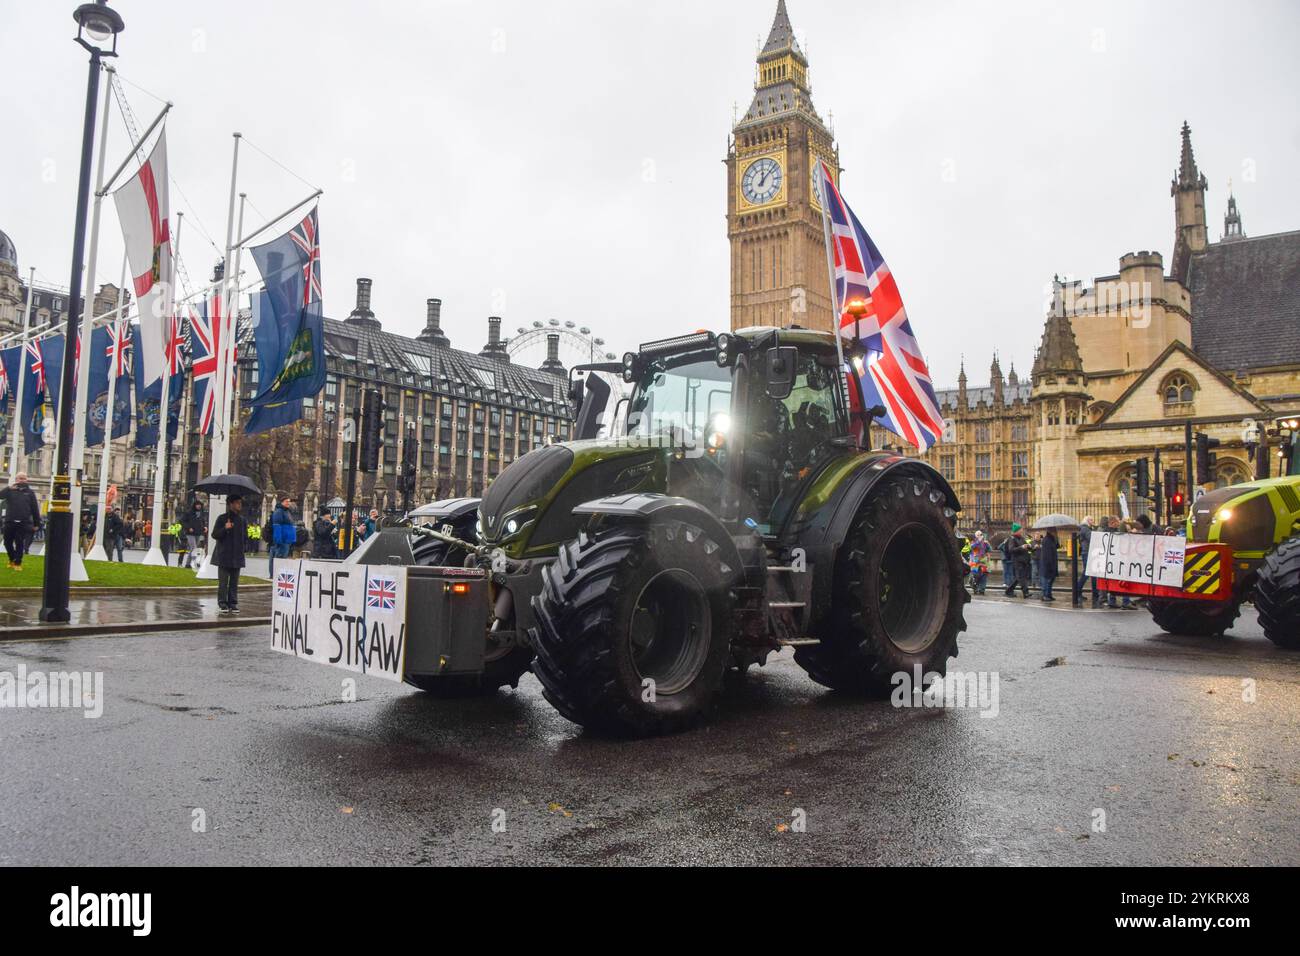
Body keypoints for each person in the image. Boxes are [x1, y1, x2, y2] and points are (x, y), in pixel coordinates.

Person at [211, 493, 248, 614]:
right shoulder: (222, 518)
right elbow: (214, 534)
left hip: (237, 555)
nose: (239, 505)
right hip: (224, 554)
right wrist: (225, 528)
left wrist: (244, 548)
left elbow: (245, 537)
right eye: (237, 503)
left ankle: (233, 603)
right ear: (230, 504)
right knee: (223, 582)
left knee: (234, 582)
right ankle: (222, 603)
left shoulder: (242, 520)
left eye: (240, 503)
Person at [1, 472, 42, 570]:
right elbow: (0, 496)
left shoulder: (30, 493)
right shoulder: (10, 491)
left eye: (23, 478)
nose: (22, 480)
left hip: (23, 521)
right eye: (20, 478)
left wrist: (37, 523)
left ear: (26, 480)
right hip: (10, 520)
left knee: (19, 542)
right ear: (16, 479)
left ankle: (18, 563)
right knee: (7, 542)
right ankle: (12, 559)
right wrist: (8, 488)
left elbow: (34, 508)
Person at [1075, 516, 1100, 608]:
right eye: (1091, 520)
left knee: (1093, 573)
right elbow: (1092, 538)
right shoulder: (1085, 529)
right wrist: (1096, 529)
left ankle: (1095, 593)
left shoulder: (1087, 529)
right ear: (1086, 521)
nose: (1093, 521)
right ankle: (1077, 591)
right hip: (1088, 552)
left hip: (1090, 552)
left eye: (1093, 519)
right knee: (1087, 573)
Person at [269, 495, 296, 579]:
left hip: (286, 540)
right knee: (279, 559)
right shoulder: (279, 511)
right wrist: (278, 540)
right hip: (282, 540)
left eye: (289, 501)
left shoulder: (287, 511)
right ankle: (275, 576)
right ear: (282, 502)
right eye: (286, 501)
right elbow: (277, 526)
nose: (288, 503)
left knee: (282, 559)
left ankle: (277, 576)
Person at [1003, 524, 1031, 598]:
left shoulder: (1021, 538)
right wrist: (1021, 547)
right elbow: (1011, 549)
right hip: (1017, 561)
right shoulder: (1012, 539)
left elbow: (1026, 545)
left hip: (1024, 560)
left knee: (1018, 578)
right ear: (1016, 531)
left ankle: (1008, 591)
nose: (1022, 530)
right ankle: (1026, 593)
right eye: (1020, 529)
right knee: (1021, 578)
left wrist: (1029, 546)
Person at [182, 502, 206, 569]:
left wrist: (204, 527)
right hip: (190, 533)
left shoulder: (201, 513)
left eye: (200, 505)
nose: (199, 506)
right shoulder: (189, 513)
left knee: (192, 549)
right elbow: (183, 521)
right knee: (194, 548)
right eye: (197, 505)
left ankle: (187, 564)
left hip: (198, 533)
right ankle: (196, 563)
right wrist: (189, 527)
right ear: (195, 505)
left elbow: (202, 521)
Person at [1039, 529, 1060, 602]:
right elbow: (1048, 554)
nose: (1056, 531)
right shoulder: (1046, 540)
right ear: (1051, 531)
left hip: (1052, 562)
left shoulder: (1052, 539)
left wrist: (1057, 538)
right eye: (1055, 530)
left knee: (1051, 580)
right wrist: (1050, 565)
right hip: (1047, 564)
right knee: (1047, 580)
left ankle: (1049, 594)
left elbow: (1057, 546)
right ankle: (1045, 595)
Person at [969, 530, 991, 595]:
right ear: (975, 536)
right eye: (978, 535)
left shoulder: (985, 543)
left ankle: (981, 590)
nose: (979, 536)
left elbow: (989, 550)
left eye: (980, 534)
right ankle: (975, 588)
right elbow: (972, 547)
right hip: (975, 563)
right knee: (975, 576)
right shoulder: (973, 542)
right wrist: (978, 541)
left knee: (984, 576)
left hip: (984, 562)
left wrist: (988, 544)